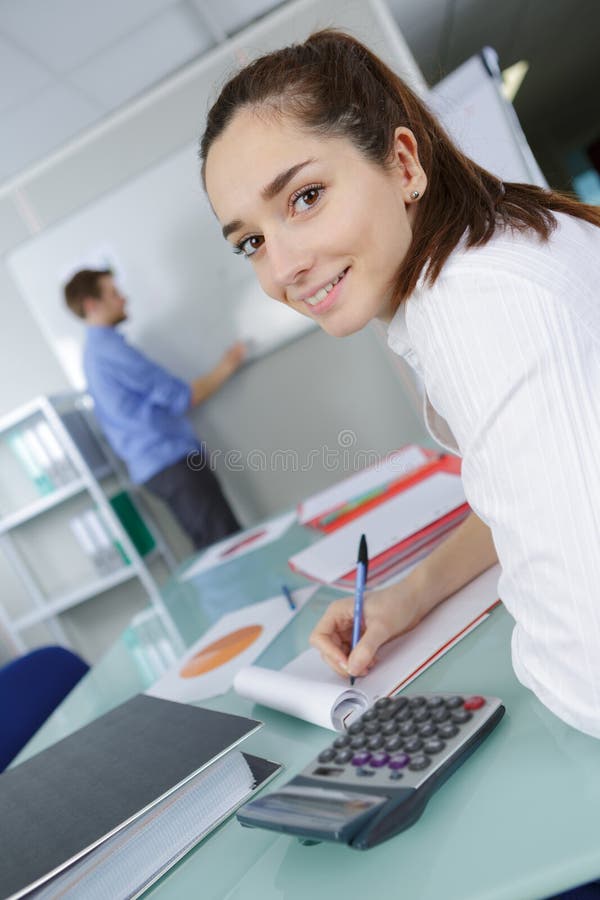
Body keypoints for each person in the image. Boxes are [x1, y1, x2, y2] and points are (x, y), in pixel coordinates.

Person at [199, 29, 600, 741]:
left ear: (404, 164)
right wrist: (406, 598)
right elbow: (526, 496)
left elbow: (590, 674)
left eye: (306, 196)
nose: (282, 266)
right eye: (251, 241)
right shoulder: (492, 245)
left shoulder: (479, 307)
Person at [64, 268, 244, 550]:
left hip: (158, 467)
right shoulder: (111, 351)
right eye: (113, 293)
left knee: (215, 548)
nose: (123, 298)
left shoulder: (94, 353)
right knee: (228, 547)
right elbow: (182, 398)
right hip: (172, 463)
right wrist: (228, 365)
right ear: (91, 304)